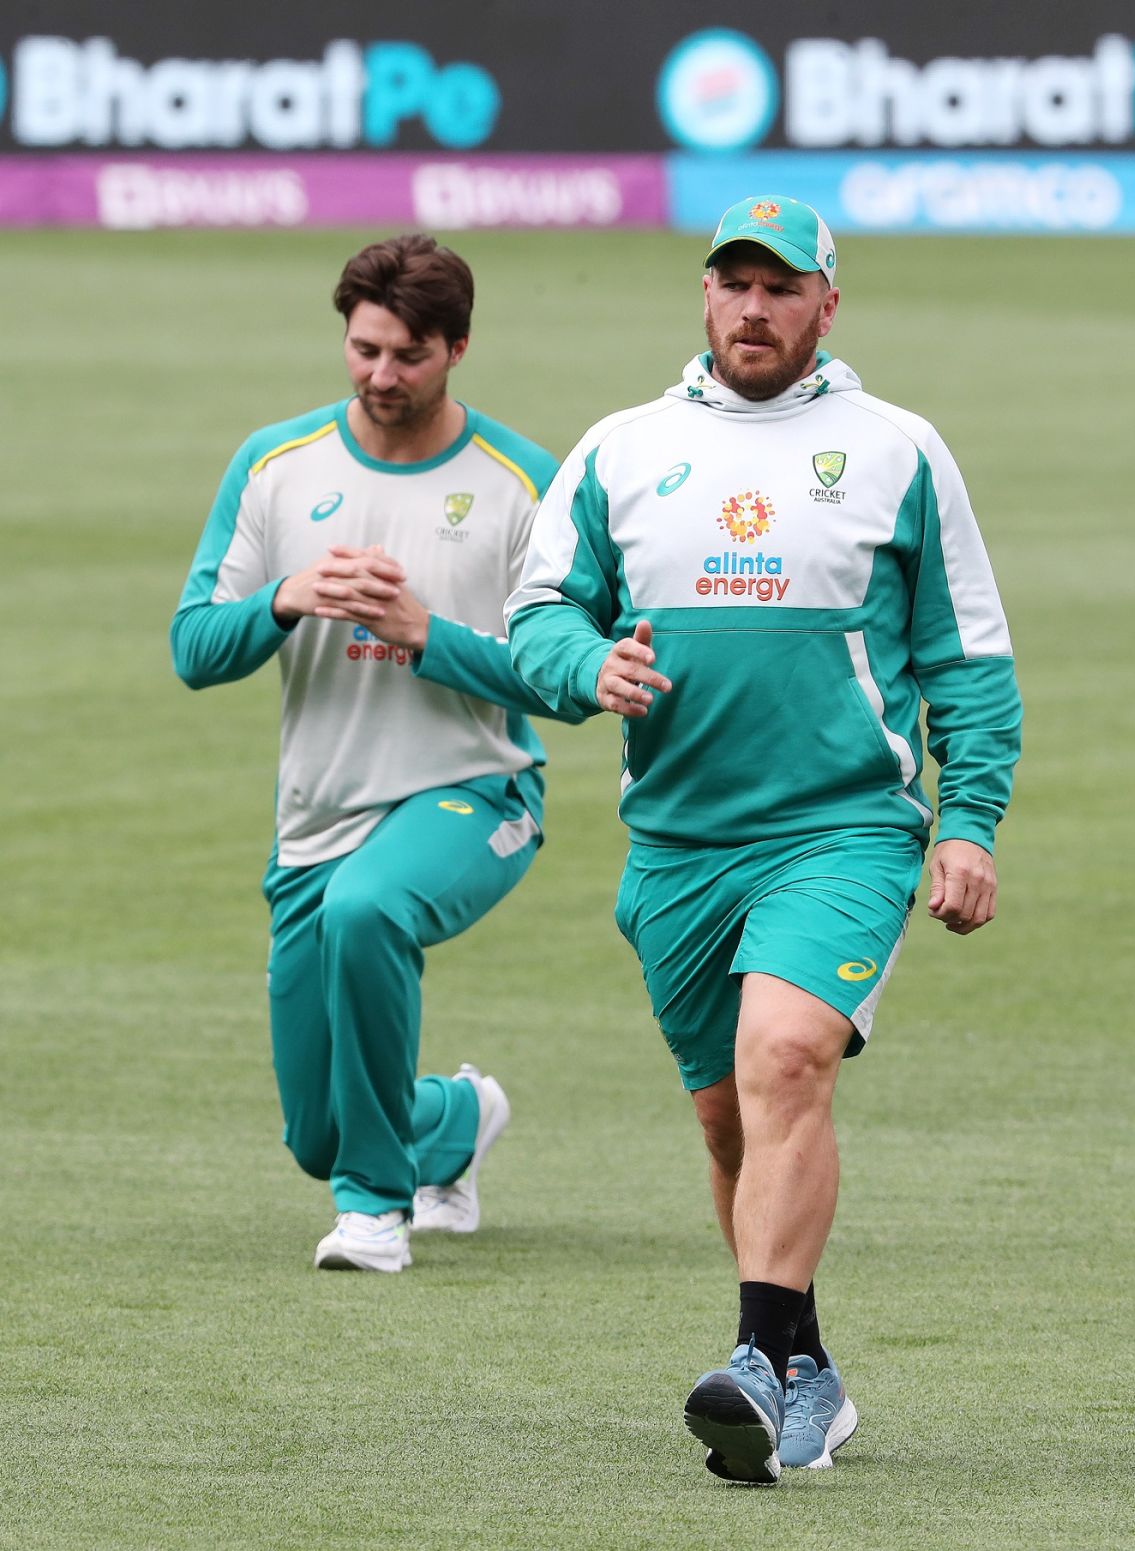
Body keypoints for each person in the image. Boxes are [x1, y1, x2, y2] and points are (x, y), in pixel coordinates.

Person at [506, 196, 1021, 1481]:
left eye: (781, 287)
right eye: (733, 281)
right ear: (703, 294)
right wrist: (585, 666)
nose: (753, 306)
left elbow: (971, 661)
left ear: (826, 304)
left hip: (842, 827)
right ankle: (805, 1370)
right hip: (677, 843)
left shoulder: (898, 449)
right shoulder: (622, 447)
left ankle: (749, 1357)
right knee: (732, 1116)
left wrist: (970, 824)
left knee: (788, 1056)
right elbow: (535, 610)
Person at [171, 234, 574, 1273]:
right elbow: (192, 651)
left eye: (407, 356)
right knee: (319, 1133)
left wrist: (426, 634)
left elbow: (568, 681)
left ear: (458, 349)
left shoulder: (524, 482)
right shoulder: (276, 467)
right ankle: (452, 1122)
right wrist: (284, 599)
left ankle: (374, 1216)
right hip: (317, 819)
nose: (380, 376)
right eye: (363, 351)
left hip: (477, 793)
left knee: (369, 909)